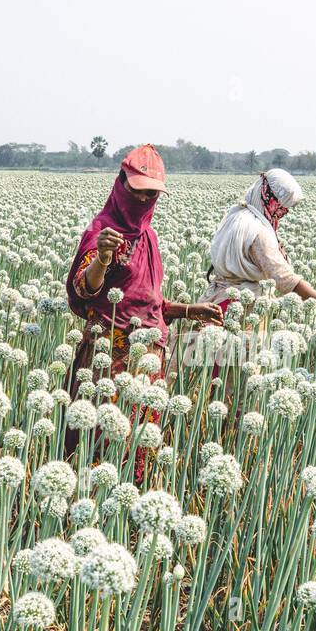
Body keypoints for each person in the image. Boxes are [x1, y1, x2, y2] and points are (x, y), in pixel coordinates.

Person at [65, 145, 220, 474]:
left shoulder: (147, 236)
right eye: (138, 193)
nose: (145, 201)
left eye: (152, 194)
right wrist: (103, 260)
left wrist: (190, 310)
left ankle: (128, 522)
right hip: (110, 360)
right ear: (121, 185)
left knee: (137, 448)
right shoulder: (103, 233)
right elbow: (84, 289)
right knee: (100, 451)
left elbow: (148, 303)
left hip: (147, 364)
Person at [201, 169, 316, 312]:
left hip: (215, 298)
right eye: (282, 205)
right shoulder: (257, 232)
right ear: (269, 198)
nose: (284, 212)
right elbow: (285, 280)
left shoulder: (236, 215)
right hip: (244, 307)